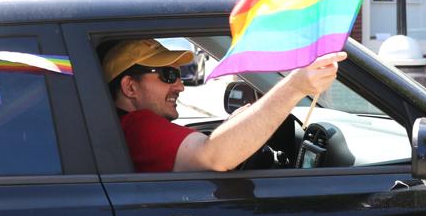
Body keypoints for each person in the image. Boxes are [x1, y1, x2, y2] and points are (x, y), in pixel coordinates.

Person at [102, 39, 346, 172]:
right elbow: (213, 157)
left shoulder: (119, 128)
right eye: (168, 75)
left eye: (179, 75)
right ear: (130, 87)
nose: (180, 86)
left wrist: (233, 128)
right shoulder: (138, 125)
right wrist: (295, 87)